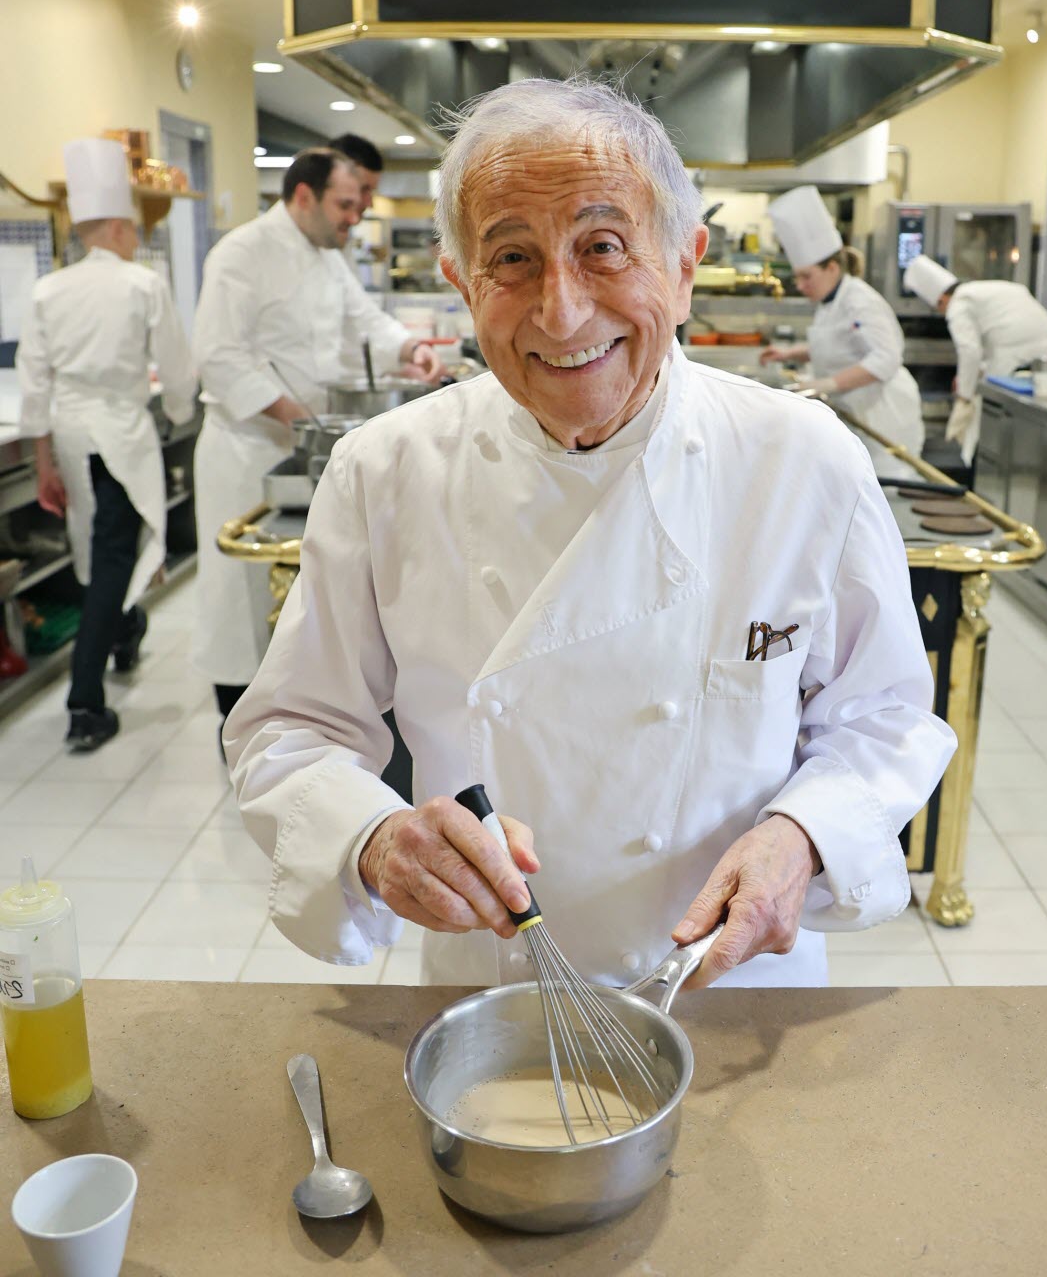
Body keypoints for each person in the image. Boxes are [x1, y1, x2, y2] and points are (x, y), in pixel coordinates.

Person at [225, 78, 955, 991]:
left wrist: (801, 837)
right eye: (513, 259)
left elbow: (882, 715)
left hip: (729, 984)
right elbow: (291, 728)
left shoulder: (802, 460)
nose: (561, 312)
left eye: (602, 248)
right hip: (492, 988)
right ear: (461, 283)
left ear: (683, 267)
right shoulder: (386, 470)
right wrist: (371, 836)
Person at [190, 147, 441, 728]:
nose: (355, 216)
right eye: (346, 204)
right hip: (247, 450)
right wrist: (301, 420)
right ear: (304, 196)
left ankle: (297, 717)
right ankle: (235, 724)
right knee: (240, 604)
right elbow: (220, 359)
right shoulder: (241, 254)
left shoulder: (327, 255)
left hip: (308, 449)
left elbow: (365, 321)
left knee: (312, 594)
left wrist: (410, 346)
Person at [16, 138, 196, 750]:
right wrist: (178, 412)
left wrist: (42, 461)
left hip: (70, 437)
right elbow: (176, 373)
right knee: (115, 556)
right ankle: (85, 704)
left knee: (96, 554)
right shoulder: (143, 285)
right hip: (121, 434)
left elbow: (33, 384)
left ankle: (125, 631)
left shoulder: (47, 290)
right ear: (119, 227)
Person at [760, 187, 925, 474]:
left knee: (887, 489)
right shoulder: (829, 302)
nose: (800, 285)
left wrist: (826, 385)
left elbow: (885, 358)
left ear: (832, 268)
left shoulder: (860, 301)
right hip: (855, 414)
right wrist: (790, 353)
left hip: (883, 419)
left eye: (806, 276)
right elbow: (835, 345)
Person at [904, 254, 1047, 462]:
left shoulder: (959, 303)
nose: (942, 312)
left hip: (1015, 361)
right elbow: (999, 332)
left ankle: (981, 474)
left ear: (941, 299)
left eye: (939, 308)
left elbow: (970, 350)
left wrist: (964, 395)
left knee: (985, 425)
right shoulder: (990, 289)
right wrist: (972, 376)